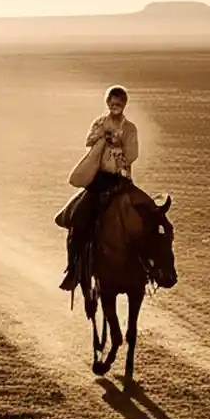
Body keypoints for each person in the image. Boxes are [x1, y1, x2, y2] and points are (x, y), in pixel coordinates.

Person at [59, 85, 139, 292]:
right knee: (78, 216)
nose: (115, 107)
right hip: (100, 178)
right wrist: (103, 136)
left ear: (124, 105)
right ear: (107, 104)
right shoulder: (100, 123)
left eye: (119, 104)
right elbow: (89, 141)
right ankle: (73, 269)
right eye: (112, 104)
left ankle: (149, 268)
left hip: (121, 179)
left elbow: (132, 154)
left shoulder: (130, 128)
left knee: (148, 216)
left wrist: (118, 144)